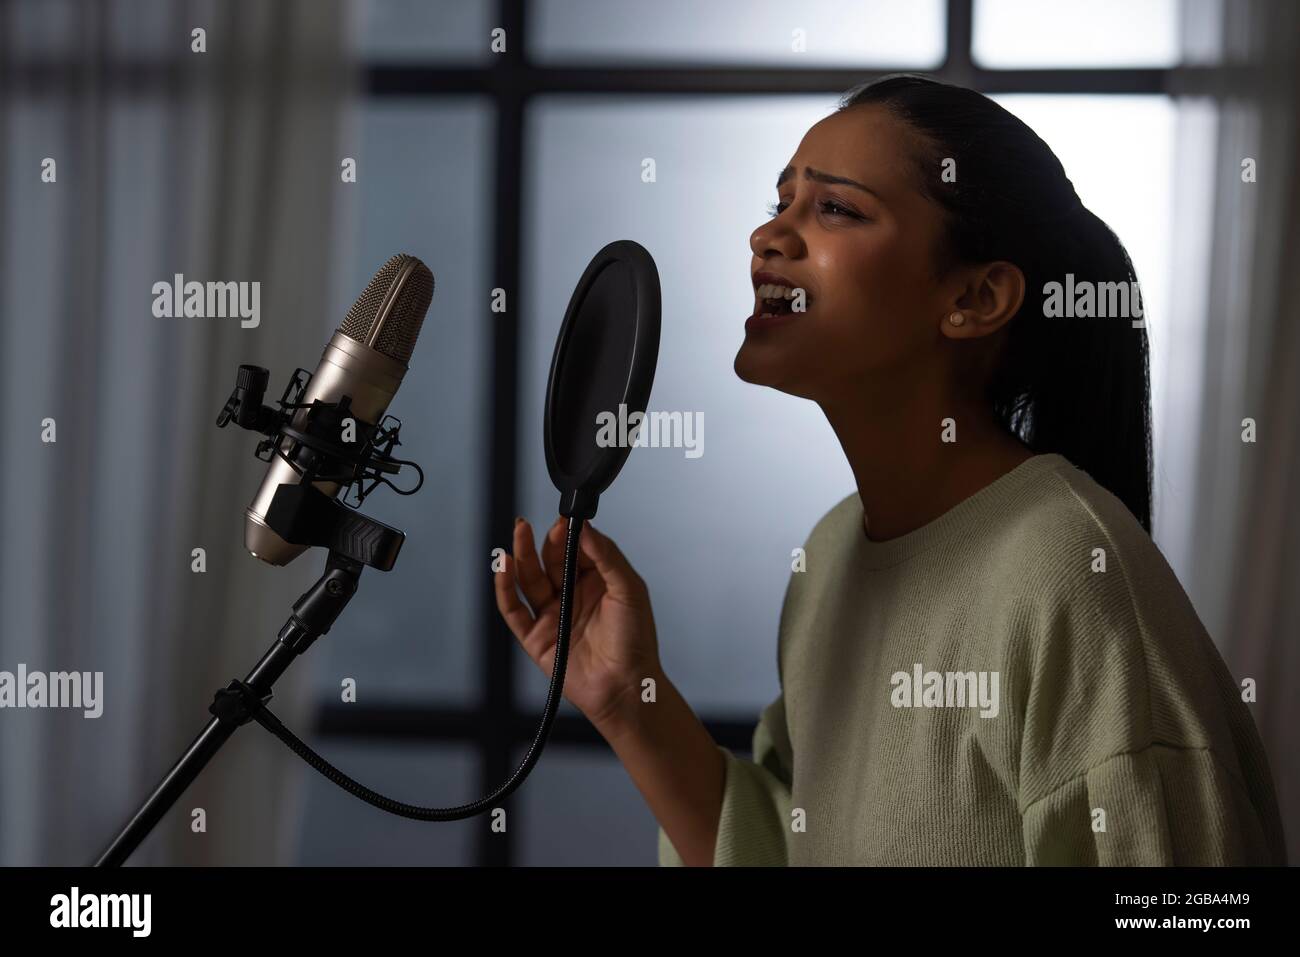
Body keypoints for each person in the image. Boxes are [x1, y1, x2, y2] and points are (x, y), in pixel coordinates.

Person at [494, 74, 1287, 866]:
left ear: (975, 297)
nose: (767, 238)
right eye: (780, 204)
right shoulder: (833, 553)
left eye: (834, 208)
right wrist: (630, 700)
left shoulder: (1068, 574)